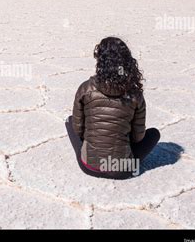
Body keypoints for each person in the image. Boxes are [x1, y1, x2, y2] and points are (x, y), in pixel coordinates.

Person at [66, 36, 160, 179]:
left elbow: (78, 130)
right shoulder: (135, 95)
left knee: (71, 121)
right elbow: (138, 137)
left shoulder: (85, 89)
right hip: (122, 170)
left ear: (100, 62)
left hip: (90, 167)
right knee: (154, 134)